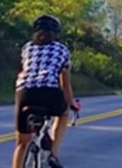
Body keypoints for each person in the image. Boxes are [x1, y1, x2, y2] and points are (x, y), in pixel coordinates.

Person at [12, 15, 80, 168]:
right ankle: (53, 155)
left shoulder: (27, 47)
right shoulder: (62, 49)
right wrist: (71, 104)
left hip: (24, 92)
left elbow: (26, 70)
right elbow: (65, 85)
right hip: (49, 92)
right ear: (56, 33)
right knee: (63, 113)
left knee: (21, 143)